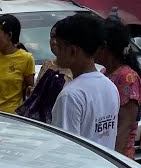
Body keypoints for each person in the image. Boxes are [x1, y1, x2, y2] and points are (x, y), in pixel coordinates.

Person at [50, 13, 120, 149]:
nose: (55, 51)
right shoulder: (110, 87)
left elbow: (64, 149)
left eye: (59, 46)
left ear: (72, 50)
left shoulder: (71, 95)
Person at [94, 18, 141, 160]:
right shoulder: (105, 72)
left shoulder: (127, 78)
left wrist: (111, 160)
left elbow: (125, 127)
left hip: (117, 155)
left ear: (104, 47)